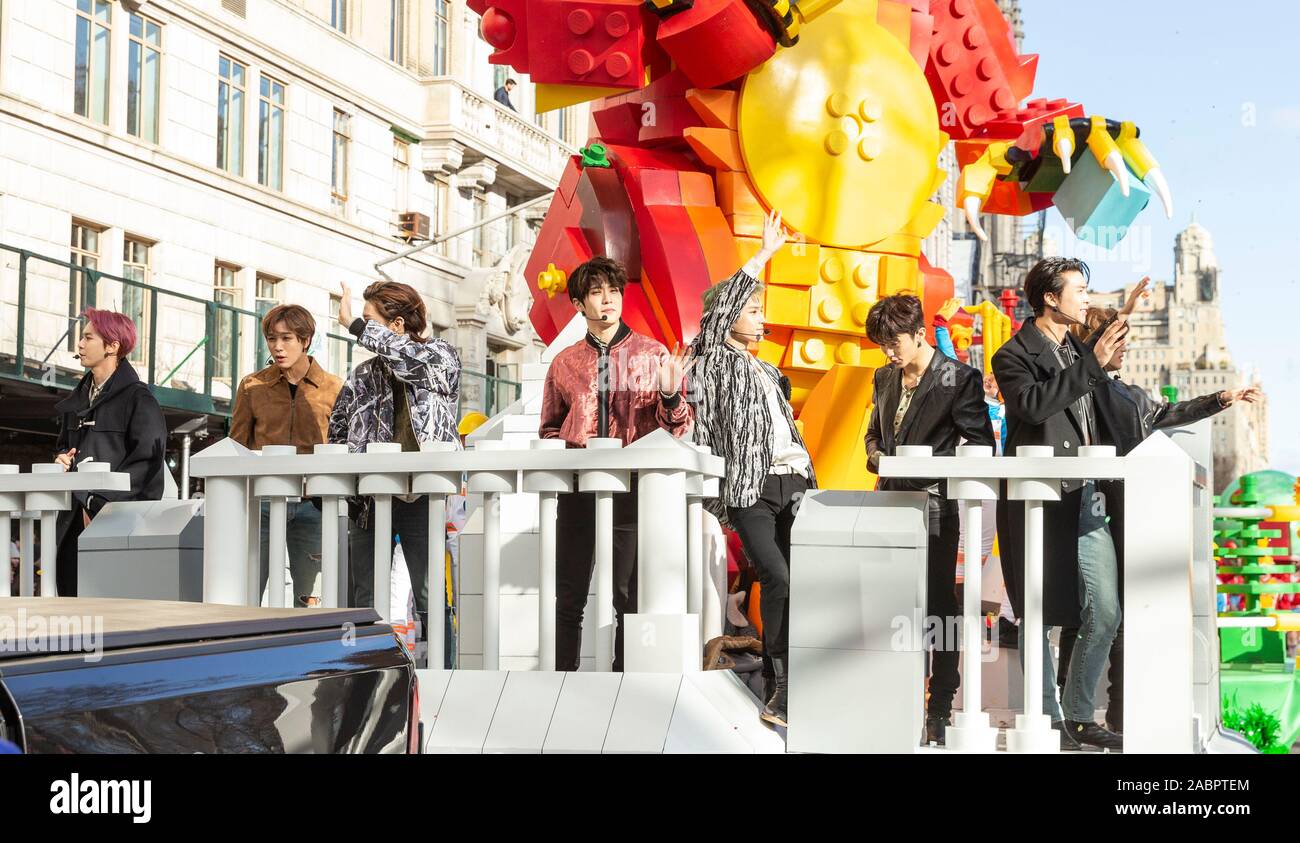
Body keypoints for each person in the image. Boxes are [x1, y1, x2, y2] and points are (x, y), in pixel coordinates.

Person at [1053, 305, 1263, 733]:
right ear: (1097, 344)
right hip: (1103, 510)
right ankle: (1081, 717)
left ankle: (1106, 715)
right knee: (1097, 614)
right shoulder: (1087, 390)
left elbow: (1166, 413)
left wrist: (1222, 398)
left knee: (1109, 616)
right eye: (1118, 338)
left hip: (1131, 511)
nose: (1126, 345)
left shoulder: (1124, 390)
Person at [991, 258, 1138, 751]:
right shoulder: (1012, 354)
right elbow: (1033, 405)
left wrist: (1120, 322)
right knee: (1037, 612)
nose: (1086, 298)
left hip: (1087, 498)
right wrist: (1091, 363)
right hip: (1038, 502)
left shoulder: (1079, 346)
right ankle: (1048, 717)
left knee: (1107, 609)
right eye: (1079, 289)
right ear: (1050, 297)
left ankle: (1077, 715)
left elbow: (1103, 381)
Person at [689, 209, 814, 729]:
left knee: (801, 580)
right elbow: (712, 326)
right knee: (777, 576)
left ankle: (795, 682)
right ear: (727, 313)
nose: (762, 317)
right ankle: (778, 684)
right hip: (749, 487)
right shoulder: (711, 358)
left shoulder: (765, 367)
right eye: (753, 308)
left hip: (797, 481)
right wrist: (764, 254)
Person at [539, 256, 692, 671]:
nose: (608, 300)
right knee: (569, 594)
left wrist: (671, 394)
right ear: (577, 303)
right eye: (596, 292)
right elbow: (550, 428)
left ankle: (624, 682)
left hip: (631, 489)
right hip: (579, 489)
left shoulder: (652, 352)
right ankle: (561, 682)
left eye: (614, 291)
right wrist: (570, 457)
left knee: (627, 595)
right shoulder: (564, 362)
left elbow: (676, 430)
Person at [864, 293, 995, 746]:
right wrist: (878, 456)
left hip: (935, 505)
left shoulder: (958, 378)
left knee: (939, 604)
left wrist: (926, 465)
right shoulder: (883, 377)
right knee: (889, 602)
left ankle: (940, 703)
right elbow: (872, 434)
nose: (888, 352)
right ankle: (893, 695)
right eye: (882, 344)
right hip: (889, 503)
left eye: (894, 342)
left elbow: (980, 445)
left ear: (920, 332)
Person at [329, 280, 461, 666]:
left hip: (422, 496)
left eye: (373, 321)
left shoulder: (440, 356)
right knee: (363, 599)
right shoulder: (361, 375)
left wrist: (356, 326)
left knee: (430, 596)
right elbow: (337, 429)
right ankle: (366, 675)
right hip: (370, 499)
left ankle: (443, 673)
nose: (365, 330)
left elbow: (415, 365)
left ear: (398, 325)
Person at [230, 304, 343, 606]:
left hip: (314, 506)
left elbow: (342, 447)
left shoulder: (334, 388)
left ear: (306, 340)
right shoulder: (253, 386)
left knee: (311, 602)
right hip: (262, 503)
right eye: (271, 338)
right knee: (245, 595)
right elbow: (236, 446)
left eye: (287, 338)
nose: (278, 347)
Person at [53, 308, 167, 596]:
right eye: (81, 337)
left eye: (88, 337)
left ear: (113, 346)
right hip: (71, 522)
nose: (79, 344)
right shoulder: (76, 402)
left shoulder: (140, 399)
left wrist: (100, 501)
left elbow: (147, 463)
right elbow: (62, 447)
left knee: (113, 610)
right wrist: (62, 458)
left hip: (120, 524)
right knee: (72, 603)